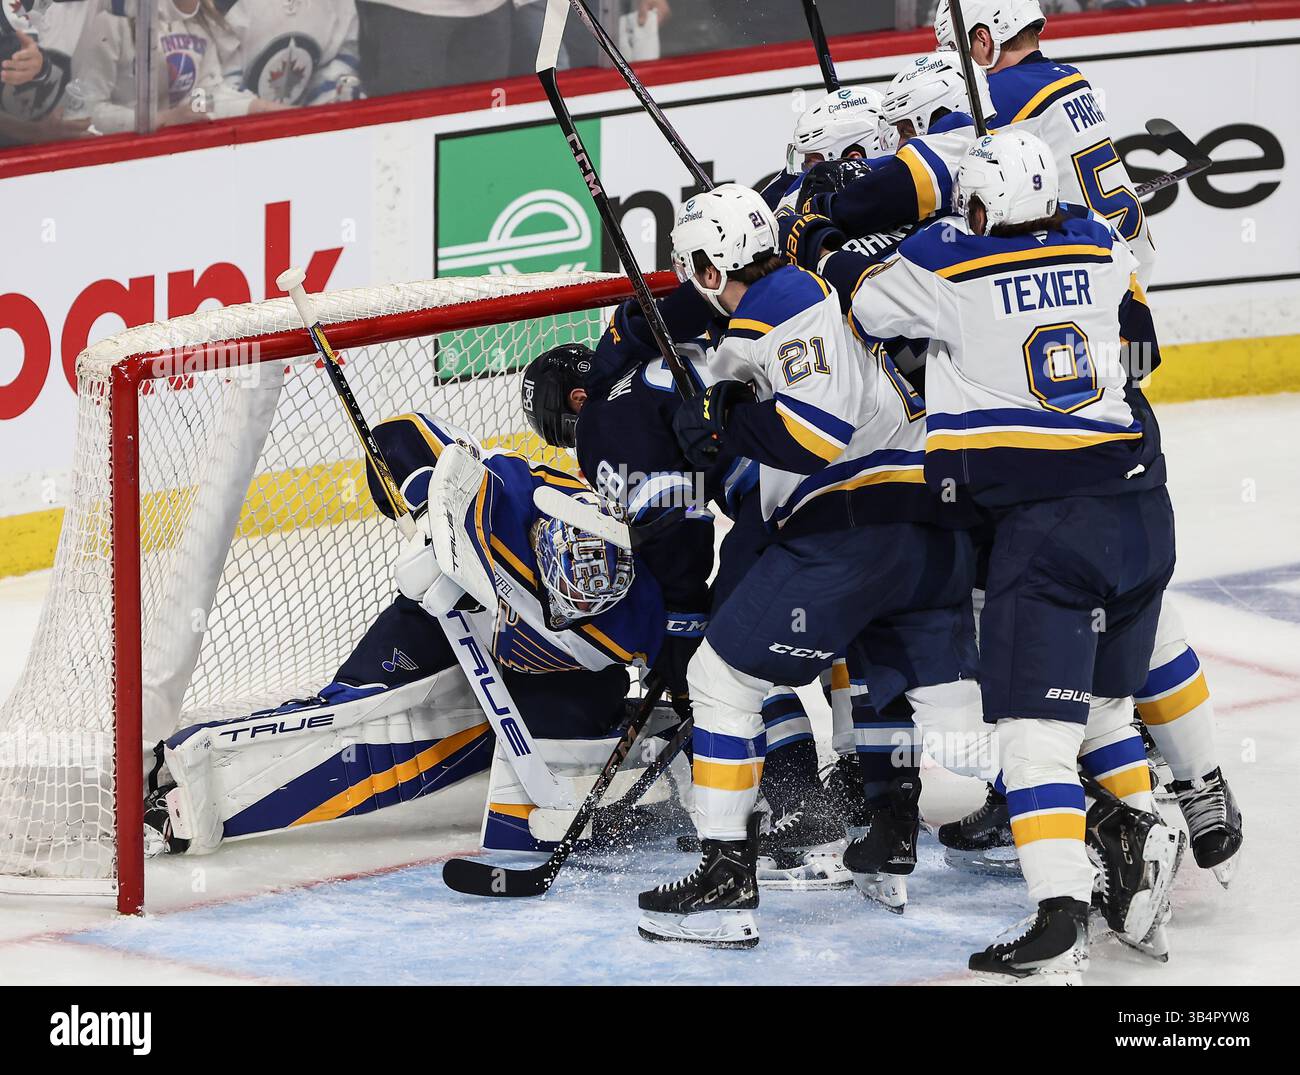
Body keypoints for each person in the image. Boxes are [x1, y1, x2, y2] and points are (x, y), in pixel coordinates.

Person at [841, 128, 1183, 982]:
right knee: (1104, 711)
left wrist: (836, 237)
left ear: (985, 205)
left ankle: (1059, 916)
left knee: (1033, 741)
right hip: (1141, 514)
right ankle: (1141, 857)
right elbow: (1141, 349)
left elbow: (863, 301)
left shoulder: (952, 266)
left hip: (1049, 535)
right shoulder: (1101, 242)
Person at [933, 0, 1243, 887]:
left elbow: (931, 201)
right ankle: (1200, 781)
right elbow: (1134, 249)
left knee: (1046, 587)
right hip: (1108, 352)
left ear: (986, 37)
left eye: (965, 45)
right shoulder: (1074, 92)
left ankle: (1087, 800)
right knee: (1127, 589)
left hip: (1047, 381)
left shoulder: (999, 108)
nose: (961, 60)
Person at [636, 183, 979, 947]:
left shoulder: (780, 302)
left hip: (853, 532)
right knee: (948, 706)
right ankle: (903, 830)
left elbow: (813, 434)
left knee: (719, 680)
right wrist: (728, 432)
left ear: (706, 261)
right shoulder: (816, 295)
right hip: (926, 529)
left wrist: (729, 420)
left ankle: (727, 882)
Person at [144, 410, 680, 859]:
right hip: (443, 619)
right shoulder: (509, 499)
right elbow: (399, 435)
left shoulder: (637, 618)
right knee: (358, 715)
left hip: (542, 674)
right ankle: (187, 775)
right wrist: (427, 508)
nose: (567, 609)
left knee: (540, 779)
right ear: (543, 546)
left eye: (581, 606)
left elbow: (684, 660)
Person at [520, 285, 854, 890]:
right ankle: (858, 791)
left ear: (572, 398)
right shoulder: (674, 359)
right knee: (773, 646)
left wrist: (677, 614)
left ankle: (805, 809)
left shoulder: (602, 412)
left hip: (782, 497)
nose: (571, 442)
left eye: (559, 425)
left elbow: (673, 518)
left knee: (731, 652)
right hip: (840, 470)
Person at [215, 0, 363, 109]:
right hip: (238, 136)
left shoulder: (338, 4)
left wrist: (321, 110)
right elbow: (216, 86)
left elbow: (341, 57)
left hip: (305, 132)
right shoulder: (230, 7)